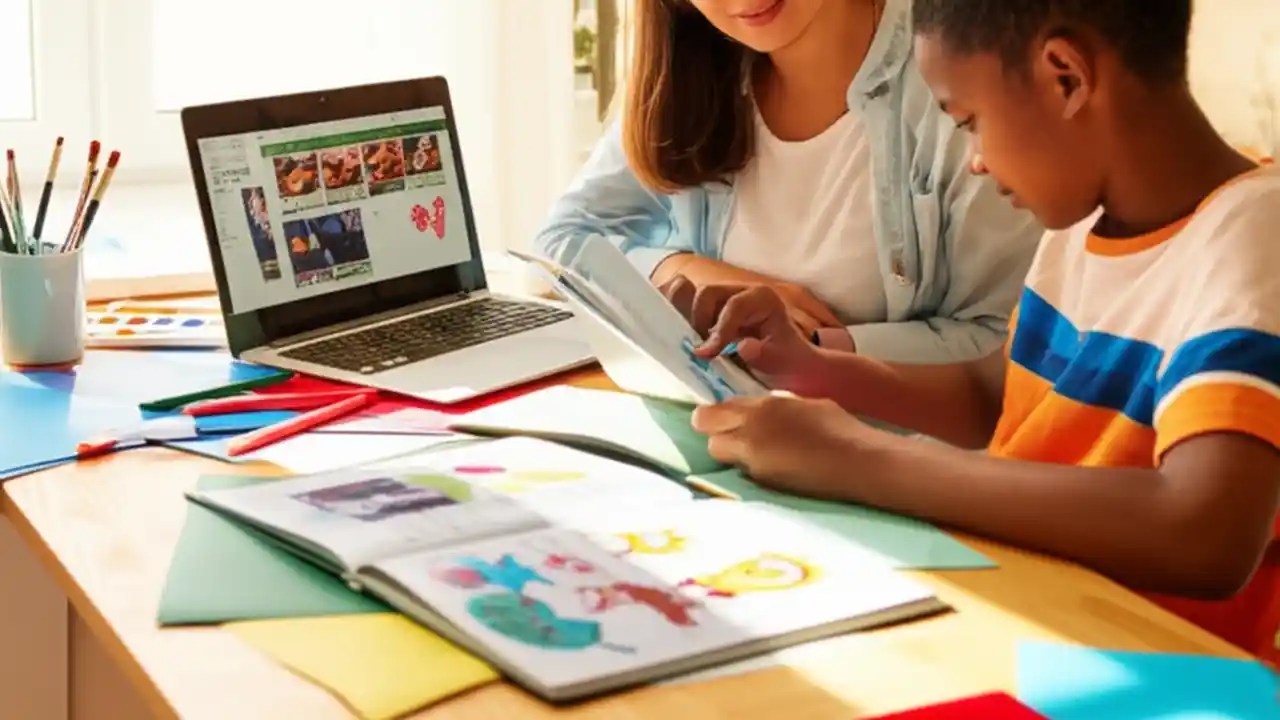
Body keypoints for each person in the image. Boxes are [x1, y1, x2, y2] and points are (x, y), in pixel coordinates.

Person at [665, 0, 1280, 662]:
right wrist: (816, 368)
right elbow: (997, 398)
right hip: (1026, 623)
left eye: (971, 123)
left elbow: (1202, 532)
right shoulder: (1082, 228)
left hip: (1155, 668)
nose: (978, 163)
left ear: (1064, 77)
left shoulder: (1253, 238)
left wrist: (861, 460)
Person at [536, 0, 1041, 363]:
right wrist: (687, 272)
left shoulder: (961, 72)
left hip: (890, 463)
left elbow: (1001, 345)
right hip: (727, 443)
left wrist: (811, 351)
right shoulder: (693, 75)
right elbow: (561, 244)